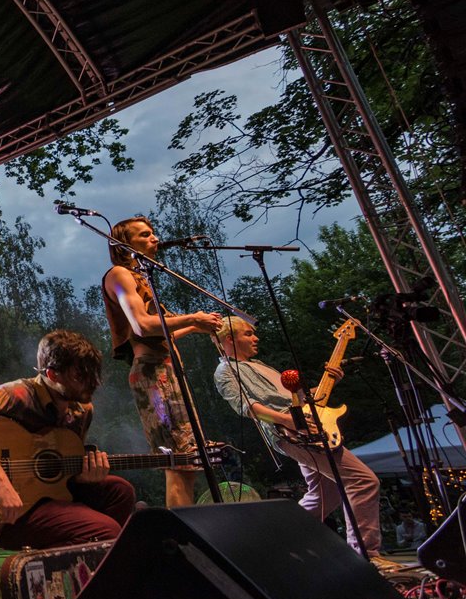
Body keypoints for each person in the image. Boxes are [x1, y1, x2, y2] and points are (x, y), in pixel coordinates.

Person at [0, 330, 135, 549]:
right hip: (10, 514)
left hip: (50, 498)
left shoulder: (82, 411)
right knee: (105, 530)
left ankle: (95, 561)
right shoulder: (17, 395)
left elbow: (62, 475)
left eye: (94, 374)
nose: (93, 383)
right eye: (80, 376)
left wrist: (84, 478)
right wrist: (1, 482)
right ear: (53, 375)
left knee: (121, 491)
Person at [212, 318, 384, 559]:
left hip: (305, 428)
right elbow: (245, 406)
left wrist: (328, 381)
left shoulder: (262, 366)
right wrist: (285, 421)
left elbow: (297, 400)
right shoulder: (225, 371)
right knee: (363, 481)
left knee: (327, 492)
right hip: (291, 433)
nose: (256, 338)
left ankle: (276, 543)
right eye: (249, 334)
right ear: (230, 339)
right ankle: (366, 555)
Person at [102, 216, 221, 507]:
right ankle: (182, 539)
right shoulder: (119, 273)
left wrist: (195, 327)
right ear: (124, 244)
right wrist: (192, 317)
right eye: (144, 234)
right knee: (179, 463)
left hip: (164, 370)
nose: (154, 238)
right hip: (154, 374)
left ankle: (187, 533)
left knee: (187, 463)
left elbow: (160, 331)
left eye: (153, 233)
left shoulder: (141, 278)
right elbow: (141, 326)